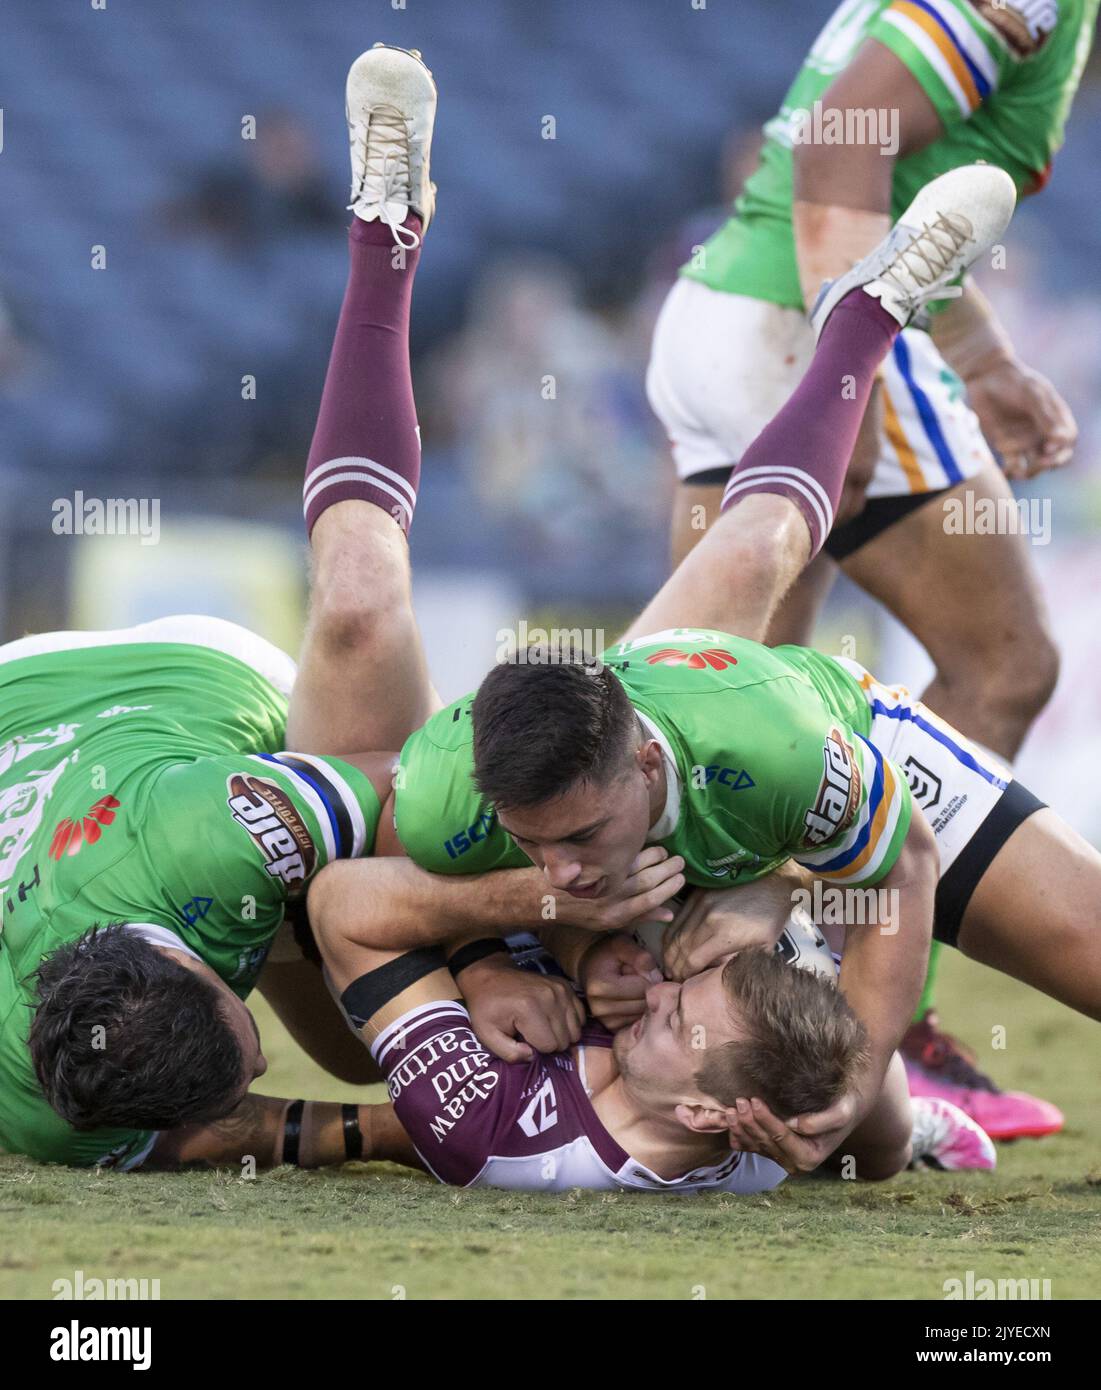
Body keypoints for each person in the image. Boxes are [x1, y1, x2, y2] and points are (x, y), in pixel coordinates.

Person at [2, 46, 676, 1172]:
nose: (257, 1072)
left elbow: (425, 791)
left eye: (240, 1048)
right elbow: (216, 1127)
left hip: (162, 696)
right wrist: (382, 1130)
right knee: (373, 1055)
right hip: (60, 812)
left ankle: (385, 234)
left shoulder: (216, 833)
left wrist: (508, 939)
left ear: (203, 970)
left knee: (359, 608)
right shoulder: (45, 1100)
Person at [646, 0, 1097, 1137]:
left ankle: (690, 1035)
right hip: (804, 322)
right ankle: (866, 1013)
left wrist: (979, 356)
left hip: (727, 315)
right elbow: (841, 147)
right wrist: (840, 377)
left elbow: (865, 166)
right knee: (1004, 665)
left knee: (714, 711)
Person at [306, 867, 996, 1190]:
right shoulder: (763, 1130)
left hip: (433, 851)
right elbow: (895, 868)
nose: (657, 989)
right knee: (875, 1147)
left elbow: (342, 897)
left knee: (406, 799)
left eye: (675, 1018)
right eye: (683, 987)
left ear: (703, 1113)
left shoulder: (485, 1122)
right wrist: (781, 885)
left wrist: (484, 965)